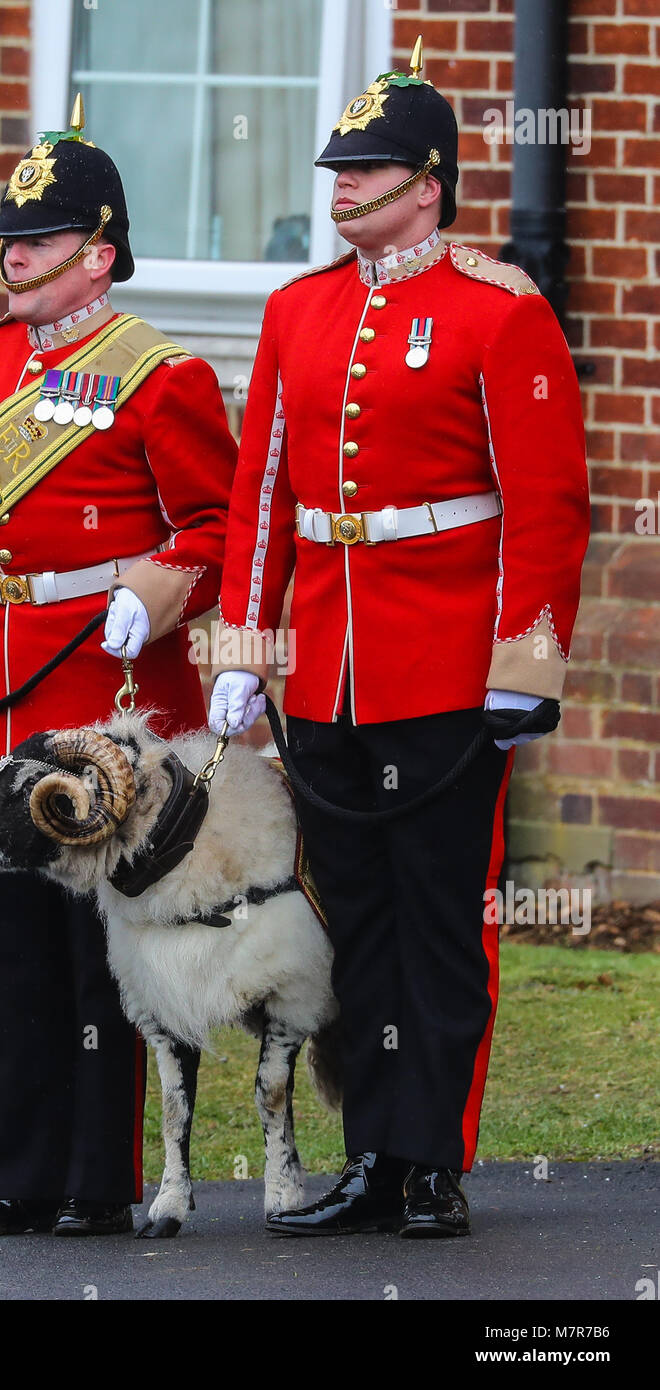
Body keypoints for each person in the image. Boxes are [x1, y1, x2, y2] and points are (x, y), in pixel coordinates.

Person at [209, 40, 589, 1237]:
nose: (341, 184)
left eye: (366, 166)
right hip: (326, 667)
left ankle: (433, 1160)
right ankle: (371, 1152)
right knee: (356, 927)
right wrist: (241, 646)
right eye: (337, 164)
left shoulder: (497, 309)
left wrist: (524, 658)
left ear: (426, 183)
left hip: (445, 669)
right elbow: (262, 495)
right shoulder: (296, 310)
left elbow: (545, 500)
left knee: (440, 922)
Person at [0, 98, 237, 1236]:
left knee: (101, 961)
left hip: (106, 695)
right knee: (14, 952)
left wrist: (150, 596)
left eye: (39, 238)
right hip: (2, 689)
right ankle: (23, 1180)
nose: (14, 252)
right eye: (9, 234)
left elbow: (215, 528)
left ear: (99, 254)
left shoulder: (161, 373)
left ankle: (98, 1185)